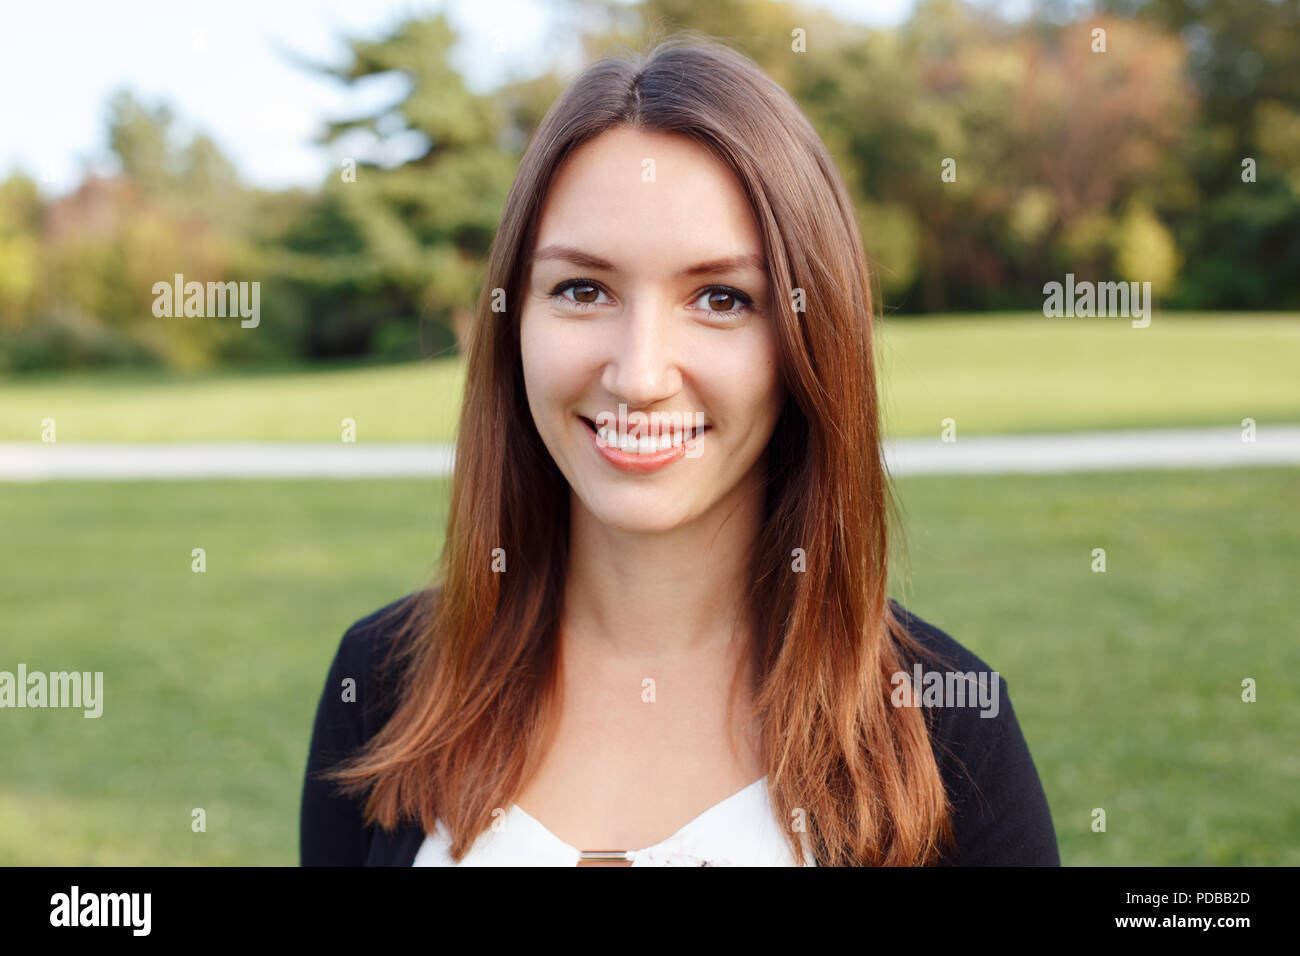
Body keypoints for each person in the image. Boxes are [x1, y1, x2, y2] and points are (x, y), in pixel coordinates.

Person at [300, 33, 1059, 867]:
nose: (640, 374)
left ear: (811, 338)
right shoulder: (380, 679)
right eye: (583, 289)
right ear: (515, 316)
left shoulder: (949, 725)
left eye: (722, 298)